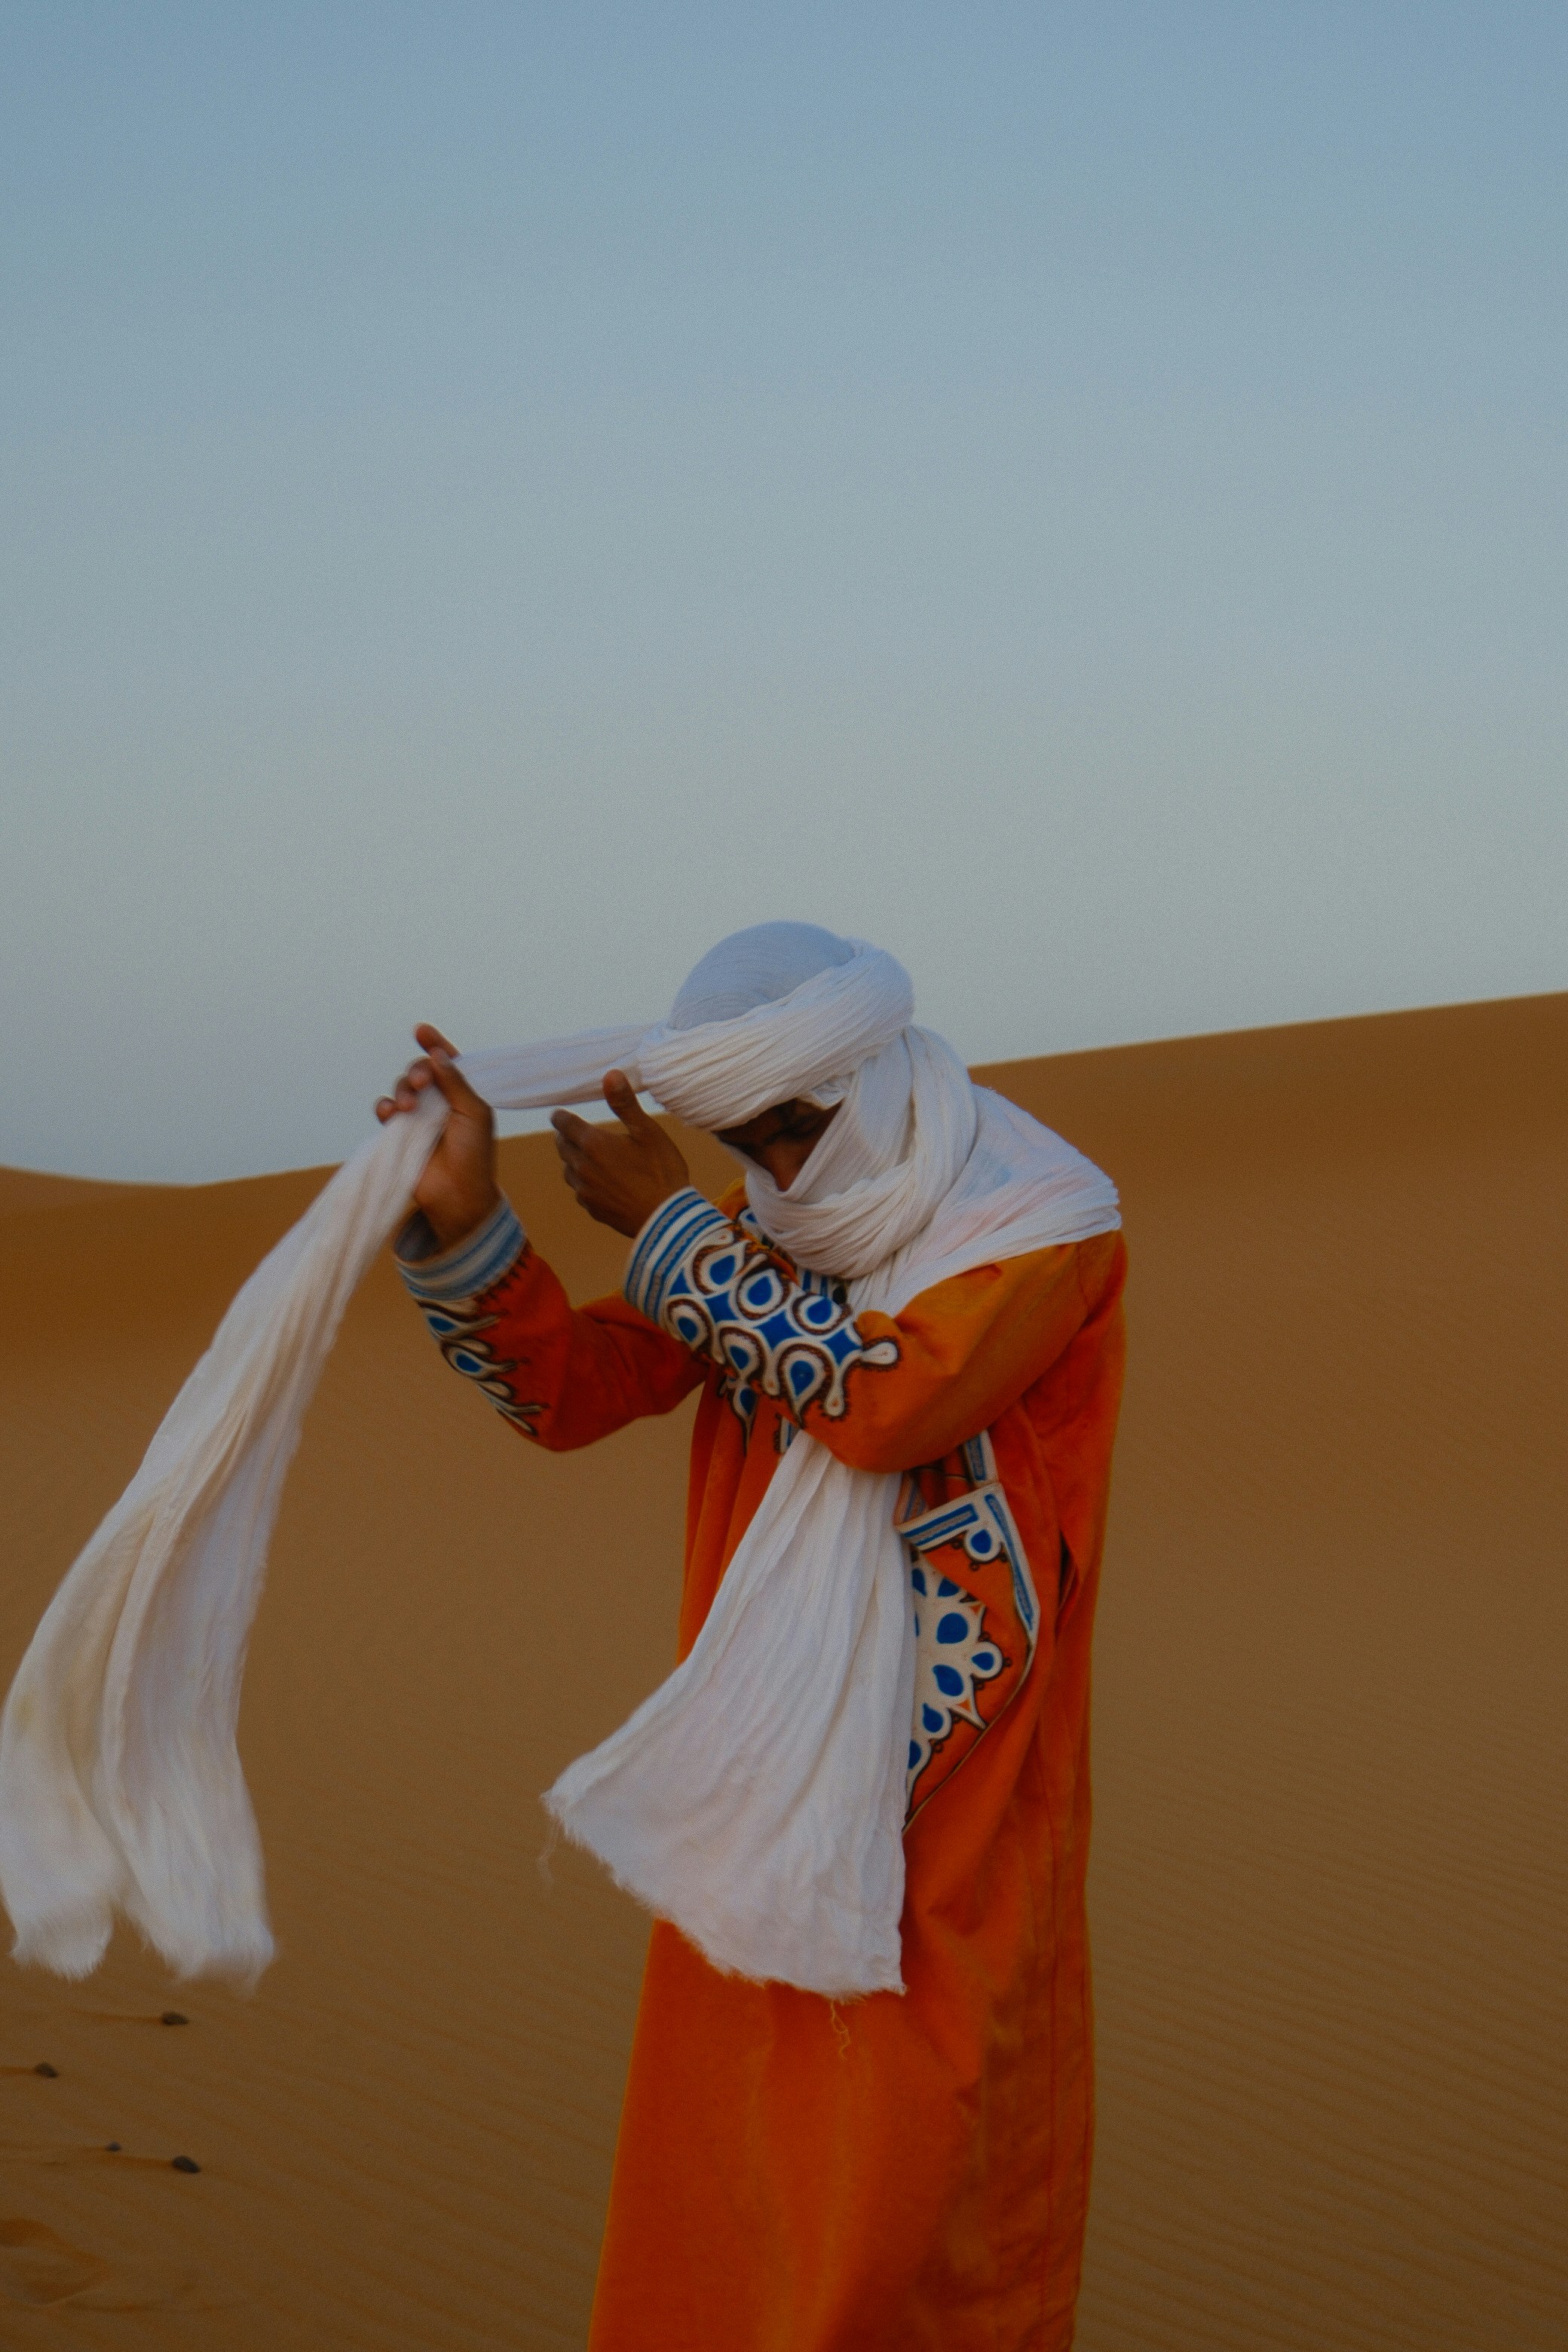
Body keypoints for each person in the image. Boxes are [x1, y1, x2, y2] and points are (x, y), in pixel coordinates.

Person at [376, 924, 1127, 2352]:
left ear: (868, 1073)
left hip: (958, 1796)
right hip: (767, 1773)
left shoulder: (1038, 1223)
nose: (777, 1168)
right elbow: (575, 1391)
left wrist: (673, 1230)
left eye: (794, 1129)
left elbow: (886, 1401)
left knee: (922, 2193)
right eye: (747, 1145)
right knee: (725, 2177)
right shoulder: (768, 1232)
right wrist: (466, 1227)